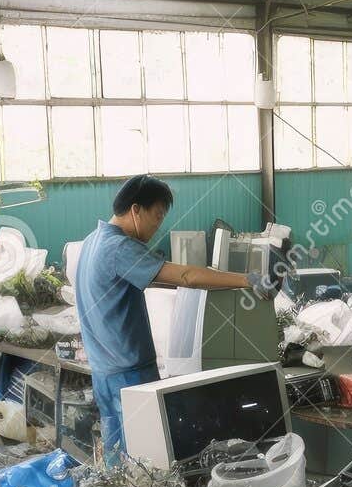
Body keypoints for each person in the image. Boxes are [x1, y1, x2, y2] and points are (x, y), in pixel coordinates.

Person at [74, 174, 277, 461]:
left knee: (117, 453)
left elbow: (166, 279)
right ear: (136, 210)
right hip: (129, 372)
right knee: (148, 458)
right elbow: (186, 276)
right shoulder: (120, 248)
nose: (158, 226)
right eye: (156, 216)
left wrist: (203, 279)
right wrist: (247, 279)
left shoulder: (93, 241)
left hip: (103, 372)